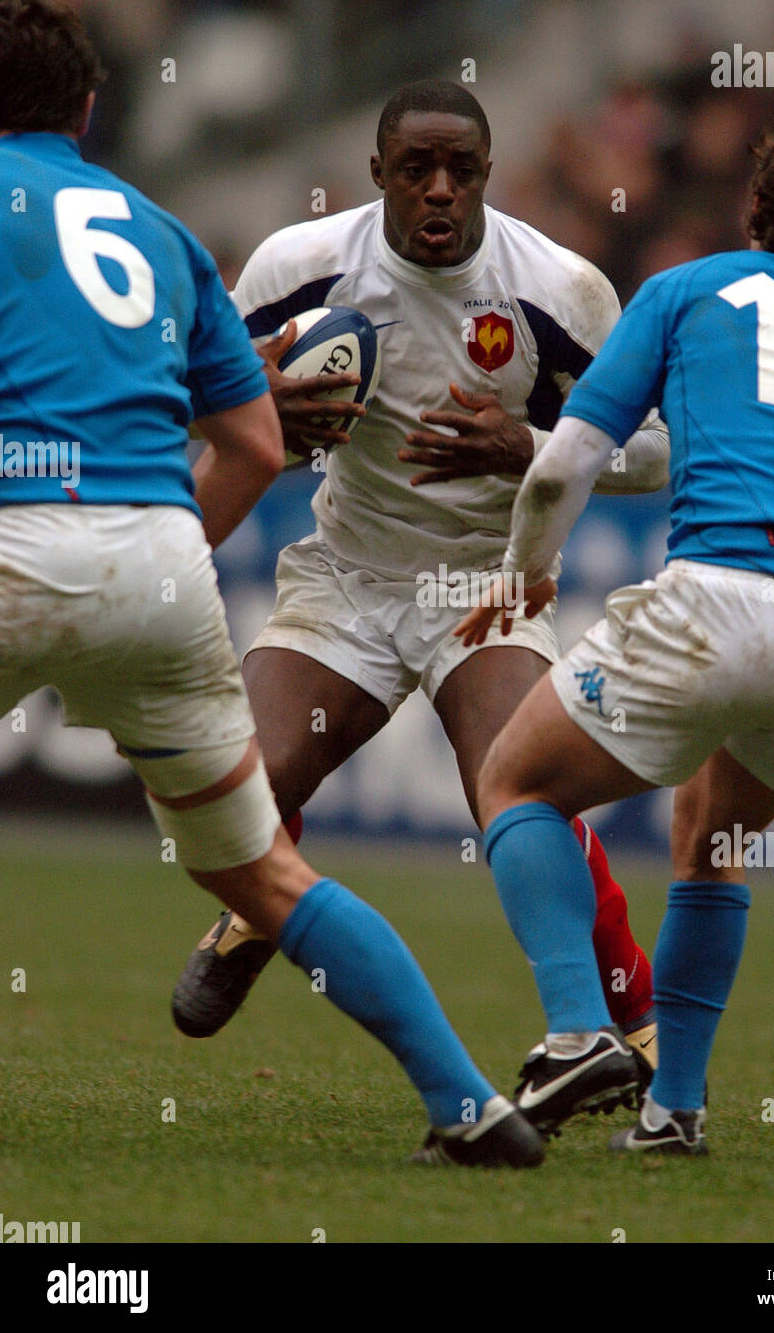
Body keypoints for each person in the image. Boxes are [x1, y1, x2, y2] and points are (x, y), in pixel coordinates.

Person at [0, 0, 545, 1169]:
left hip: (12, 536)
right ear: (89, 109)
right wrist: (141, 565)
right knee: (265, 873)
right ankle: (468, 1103)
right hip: (154, 556)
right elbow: (254, 444)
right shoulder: (161, 230)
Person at [171, 79, 670, 1134]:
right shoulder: (296, 268)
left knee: (515, 786)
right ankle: (254, 919)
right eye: (415, 170)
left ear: (488, 174)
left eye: (461, 171)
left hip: (484, 580)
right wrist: (266, 407)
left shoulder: (558, 288)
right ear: (377, 174)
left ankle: (622, 1022)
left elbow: (661, 448)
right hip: (348, 573)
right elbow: (198, 391)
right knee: (248, 786)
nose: (439, 191)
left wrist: (529, 446)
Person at [456, 92, 774, 1154]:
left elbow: (566, 462)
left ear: (756, 199)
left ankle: (581, 1030)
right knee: (710, 838)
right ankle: (675, 1108)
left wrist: (524, 574)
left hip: (725, 593)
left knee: (513, 780)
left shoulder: (687, 289)